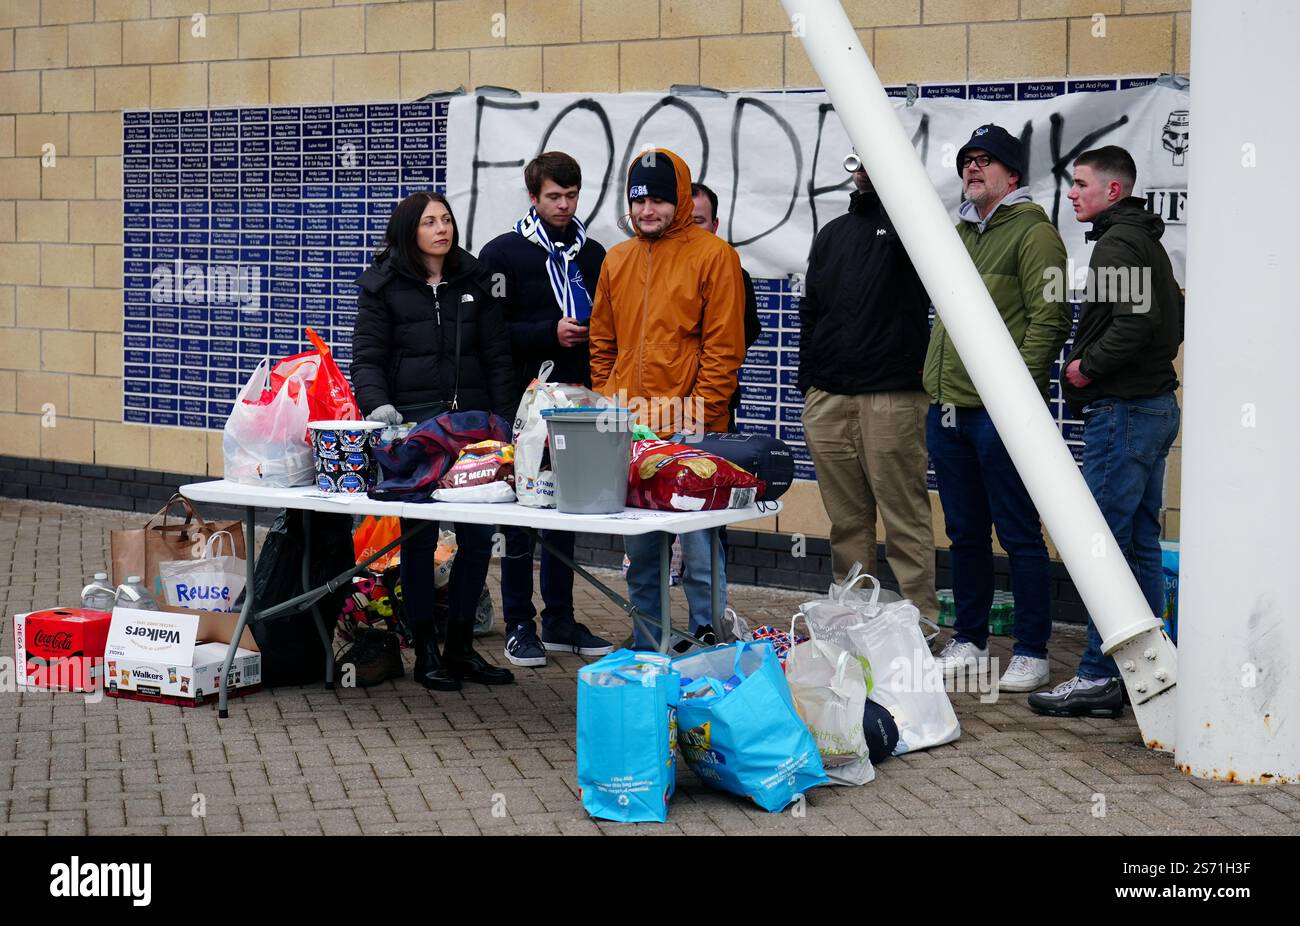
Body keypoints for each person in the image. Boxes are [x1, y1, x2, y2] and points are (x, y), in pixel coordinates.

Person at [1029, 146, 1183, 718]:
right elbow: (1171, 321)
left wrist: (1083, 368)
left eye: (1081, 183)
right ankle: (1147, 670)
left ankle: (1098, 673)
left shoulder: (1118, 242)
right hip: (1153, 408)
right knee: (1140, 543)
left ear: (1112, 192)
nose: (1072, 192)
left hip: (1122, 411)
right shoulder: (1144, 239)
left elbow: (1136, 324)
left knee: (1103, 547)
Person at [925, 124, 1070, 692]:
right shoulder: (962, 232)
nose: (973, 169)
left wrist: (1014, 396)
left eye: (986, 161)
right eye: (967, 161)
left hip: (997, 413)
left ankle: (1032, 649)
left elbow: (1051, 318)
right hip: (949, 406)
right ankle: (971, 639)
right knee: (963, 533)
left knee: (1018, 533)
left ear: (1012, 174)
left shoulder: (1035, 234)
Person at [351, 191, 515, 691]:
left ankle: (461, 647)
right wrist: (379, 409)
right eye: (430, 222)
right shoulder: (382, 285)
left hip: (473, 430)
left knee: (477, 538)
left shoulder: (473, 280)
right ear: (409, 230)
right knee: (418, 543)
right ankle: (425, 650)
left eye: (446, 220)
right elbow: (367, 358)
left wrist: (506, 421)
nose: (442, 229)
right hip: (416, 430)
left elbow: (498, 357)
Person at [589, 149, 746, 650]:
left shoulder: (714, 255)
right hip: (631, 427)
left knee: (700, 548)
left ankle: (708, 639)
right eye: (639, 200)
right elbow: (602, 343)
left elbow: (724, 348)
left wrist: (698, 413)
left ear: (679, 200)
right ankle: (647, 641)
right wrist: (607, 404)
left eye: (659, 199)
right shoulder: (618, 259)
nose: (647, 210)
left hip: (691, 426)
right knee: (641, 549)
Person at [478, 152, 614, 668]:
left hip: (579, 401)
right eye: (554, 196)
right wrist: (547, 333)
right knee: (522, 514)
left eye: (572, 195)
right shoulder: (503, 254)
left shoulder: (594, 254)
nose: (564, 205)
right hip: (524, 403)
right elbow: (489, 334)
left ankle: (559, 617)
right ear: (532, 196)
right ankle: (518, 622)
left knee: (566, 511)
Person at [797, 162, 939, 621]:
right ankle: (853, 617)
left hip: (892, 395)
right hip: (829, 396)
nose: (863, 166)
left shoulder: (915, 227)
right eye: (858, 156)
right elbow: (812, 311)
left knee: (903, 517)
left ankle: (921, 620)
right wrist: (810, 383)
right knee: (847, 521)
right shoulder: (833, 233)